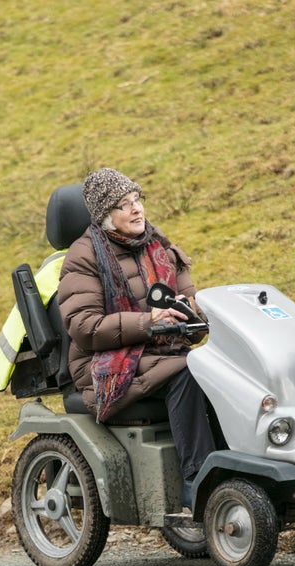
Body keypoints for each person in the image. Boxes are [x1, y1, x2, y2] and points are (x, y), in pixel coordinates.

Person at [57, 168, 216, 494]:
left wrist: (191, 314)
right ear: (105, 215)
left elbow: (195, 319)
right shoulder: (83, 256)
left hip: (162, 353)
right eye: (124, 204)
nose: (137, 209)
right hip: (107, 364)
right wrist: (149, 322)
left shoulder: (159, 247)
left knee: (222, 370)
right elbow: (85, 328)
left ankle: (241, 466)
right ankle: (198, 483)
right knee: (187, 372)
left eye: (137, 199)